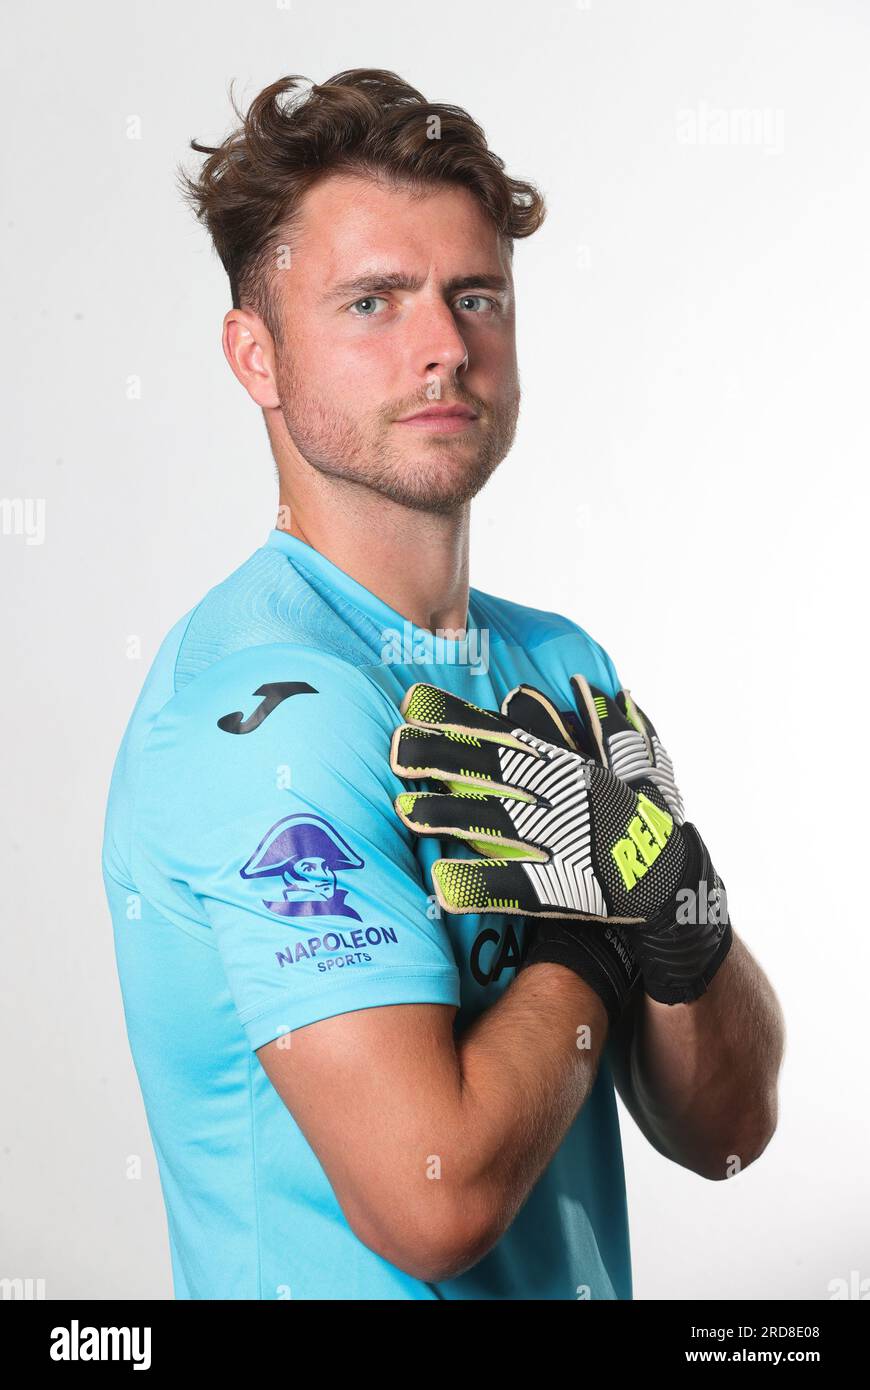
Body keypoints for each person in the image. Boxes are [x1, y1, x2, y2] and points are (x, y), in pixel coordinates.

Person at [101, 68, 785, 1301]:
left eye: (477, 297)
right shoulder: (261, 712)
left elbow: (729, 1133)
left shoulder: (561, 666)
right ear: (254, 355)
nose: (444, 347)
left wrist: (678, 919)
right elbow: (435, 1197)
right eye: (374, 302)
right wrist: (589, 936)